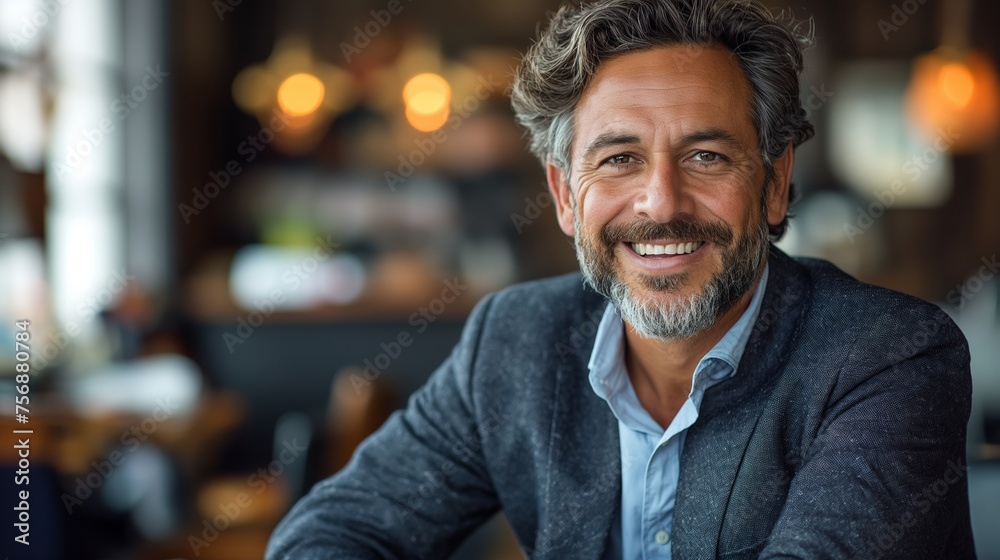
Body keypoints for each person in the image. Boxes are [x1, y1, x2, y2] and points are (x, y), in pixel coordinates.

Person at [266, 0, 976, 558]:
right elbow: (333, 532)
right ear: (566, 195)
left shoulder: (891, 357)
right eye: (618, 160)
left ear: (776, 182)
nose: (661, 202)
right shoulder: (514, 342)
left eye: (706, 156)